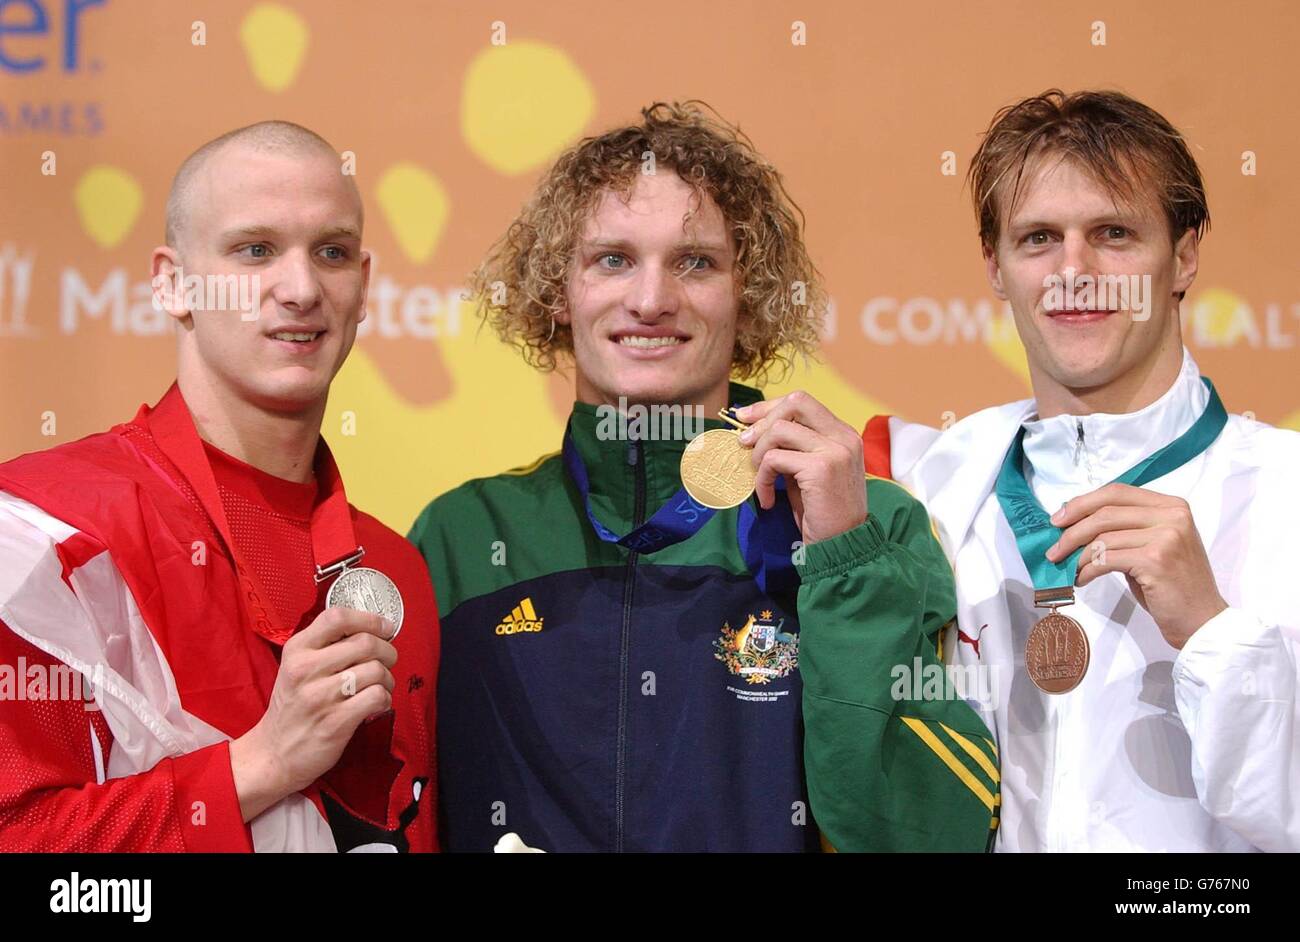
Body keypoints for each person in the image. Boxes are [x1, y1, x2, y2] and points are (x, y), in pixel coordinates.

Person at [409, 102, 998, 852]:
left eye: (694, 262)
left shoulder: (861, 522)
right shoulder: (463, 537)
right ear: (558, 291)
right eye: (612, 259)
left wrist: (847, 562)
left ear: (746, 297)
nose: (652, 300)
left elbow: (929, 838)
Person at [862, 89, 1299, 851]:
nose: (1075, 270)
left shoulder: (1287, 492)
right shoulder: (929, 490)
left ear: (1184, 255)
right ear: (995, 267)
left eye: (1113, 233)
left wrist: (1209, 628)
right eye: (1038, 239)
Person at [0, 121, 439, 852]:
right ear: (172, 283)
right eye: (255, 250)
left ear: (362, 285)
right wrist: (261, 765)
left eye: (330, 252)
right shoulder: (49, 530)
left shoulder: (394, 570)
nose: (300, 289)